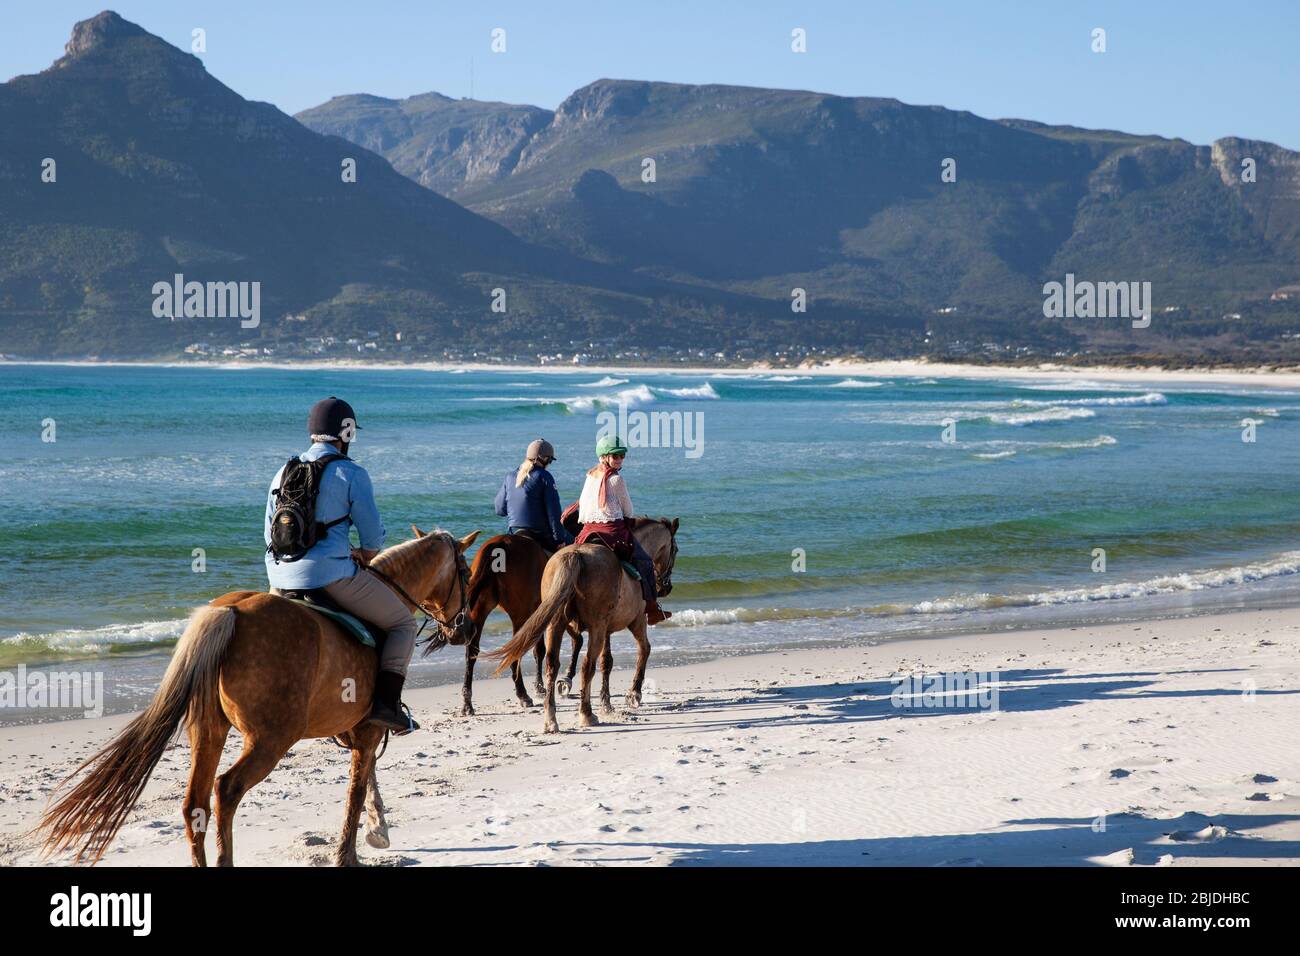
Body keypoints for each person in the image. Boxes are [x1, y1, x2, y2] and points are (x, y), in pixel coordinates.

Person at [264, 397, 419, 734]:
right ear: (346, 432)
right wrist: (364, 555)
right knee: (403, 624)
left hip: (279, 575)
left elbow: (269, 533)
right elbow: (373, 539)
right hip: (328, 576)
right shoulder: (352, 473)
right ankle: (386, 706)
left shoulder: (282, 471)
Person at [575, 435, 671, 625]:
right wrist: (627, 520)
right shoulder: (616, 479)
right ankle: (652, 609)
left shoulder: (590, 475)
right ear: (604, 457)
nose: (619, 459)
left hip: (587, 531)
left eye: (622, 455)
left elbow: (584, 505)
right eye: (615, 455)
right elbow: (628, 509)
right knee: (644, 562)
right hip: (612, 532)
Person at [494, 438, 575, 553]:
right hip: (539, 534)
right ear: (544, 459)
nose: (549, 464)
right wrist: (559, 540)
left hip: (514, 530)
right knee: (576, 545)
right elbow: (554, 514)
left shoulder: (510, 476)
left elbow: (500, 510)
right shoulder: (544, 477)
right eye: (550, 461)